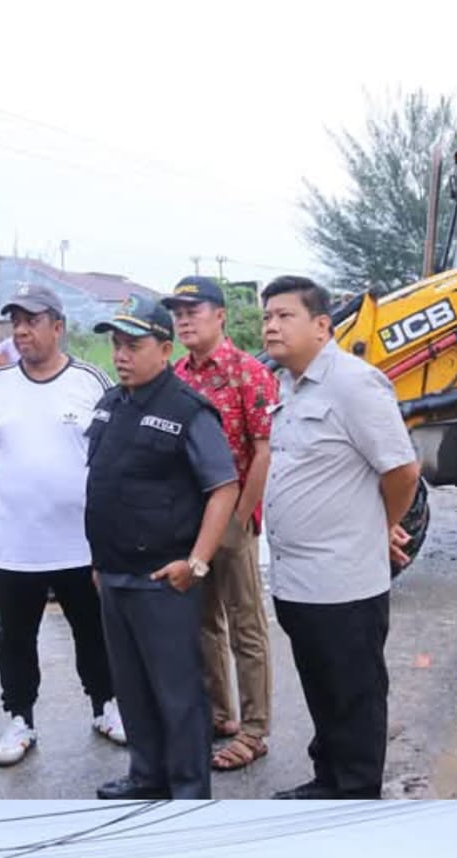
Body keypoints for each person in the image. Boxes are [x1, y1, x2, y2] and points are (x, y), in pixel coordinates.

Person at [261, 275, 419, 800]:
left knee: (354, 693)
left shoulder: (353, 383)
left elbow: (401, 471)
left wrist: (378, 528)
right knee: (322, 688)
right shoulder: (287, 385)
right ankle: (327, 777)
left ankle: (354, 793)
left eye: (285, 315)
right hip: (298, 579)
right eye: (267, 317)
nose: (271, 326)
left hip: (344, 579)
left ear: (322, 325)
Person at [85, 295, 239, 800]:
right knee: (132, 688)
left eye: (133, 345)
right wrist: (98, 563)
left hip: (163, 578)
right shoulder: (110, 406)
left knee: (177, 691)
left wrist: (196, 563)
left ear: (165, 349)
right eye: (116, 345)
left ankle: (190, 790)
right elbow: (105, 483)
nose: (121, 355)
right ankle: (146, 776)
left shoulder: (188, 411)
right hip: (114, 575)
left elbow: (223, 488)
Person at [0, 283, 125, 765]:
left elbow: (112, 452)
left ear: (57, 326)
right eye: (16, 320)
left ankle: (106, 706)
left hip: (81, 543)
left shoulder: (91, 381)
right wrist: (28, 480)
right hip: (13, 544)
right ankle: (20, 719)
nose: (21, 329)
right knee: (13, 637)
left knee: (93, 632)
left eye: (32, 321)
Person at [164, 276, 279, 774]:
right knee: (202, 622)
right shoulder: (176, 376)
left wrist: (238, 521)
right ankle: (219, 715)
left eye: (194, 309)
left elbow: (263, 449)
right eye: (178, 312)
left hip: (233, 518)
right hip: (190, 521)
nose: (184, 318)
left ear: (220, 315)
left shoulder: (247, 373)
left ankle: (255, 731)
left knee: (245, 625)